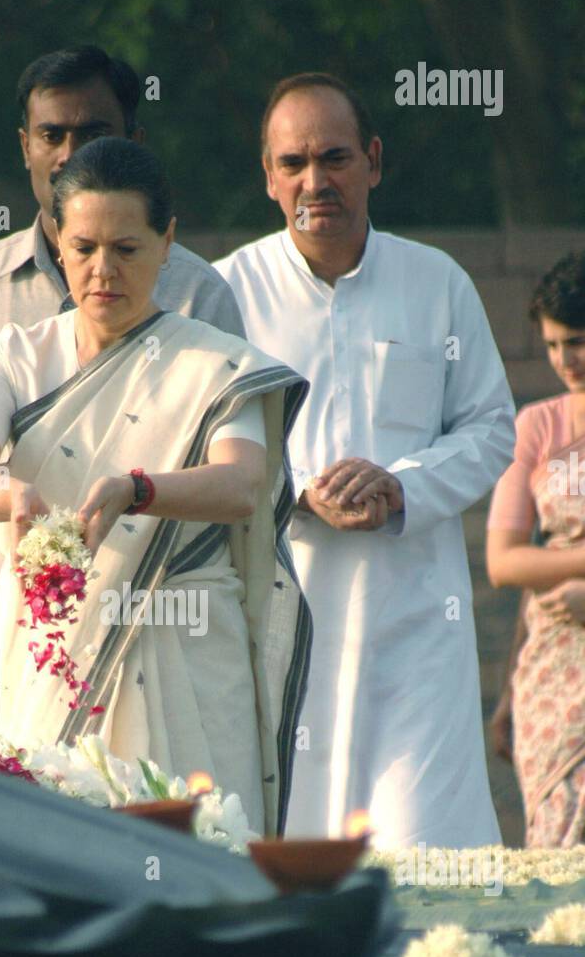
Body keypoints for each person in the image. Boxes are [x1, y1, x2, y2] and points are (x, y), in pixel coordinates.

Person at [0, 139, 310, 836]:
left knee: (204, 854)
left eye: (127, 249)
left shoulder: (214, 362)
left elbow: (241, 485)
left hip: (188, 638)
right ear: (54, 238)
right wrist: (10, 499)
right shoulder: (16, 357)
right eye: (81, 248)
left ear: (167, 242)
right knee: (55, 849)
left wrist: (134, 490)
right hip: (55, 634)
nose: (101, 271)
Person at [0, 44, 245, 718]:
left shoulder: (199, 296)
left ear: (134, 143)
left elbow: (235, 483)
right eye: (51, 134)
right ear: (24, 145)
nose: (68, 152)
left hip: (151, 653)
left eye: (92, 134)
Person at [215, 73, 515, 850]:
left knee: (428, 856)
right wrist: (299, 491)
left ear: (373, 161)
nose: (314, 180)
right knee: (292, 854)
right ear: (268, 178)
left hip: (413, 622)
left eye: (335, 157)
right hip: (284, 621)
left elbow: (489, 428)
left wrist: (399, 483)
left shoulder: (434, 282)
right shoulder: (226, 295)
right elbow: (196, 447)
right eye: (292, 163)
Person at [486, 253, 585, 846]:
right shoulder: (538, 426)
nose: (563, 361)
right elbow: (506, 563)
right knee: (556, 853)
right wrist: (505, 696)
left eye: (576, 342)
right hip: (551, 671)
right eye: (551, 346)